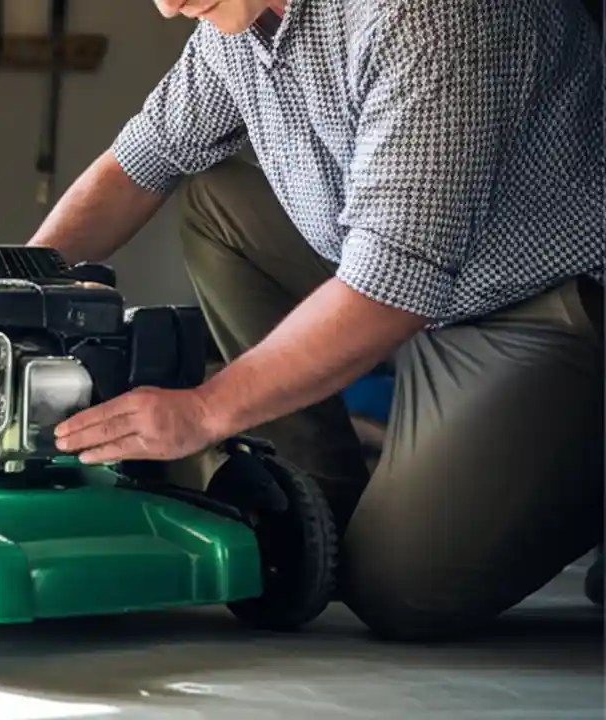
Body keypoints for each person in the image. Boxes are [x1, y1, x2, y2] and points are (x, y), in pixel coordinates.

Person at [30, 0, 604, 639]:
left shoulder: (429, 15)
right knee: (220, 204)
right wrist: (15, 292)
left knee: (401, 590)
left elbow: (391, 287)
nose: (167, 6)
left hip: (542, 305)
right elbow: (139, 164)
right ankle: (316, 498)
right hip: (431, 282)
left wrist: (203, 411)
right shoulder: (243, 22)